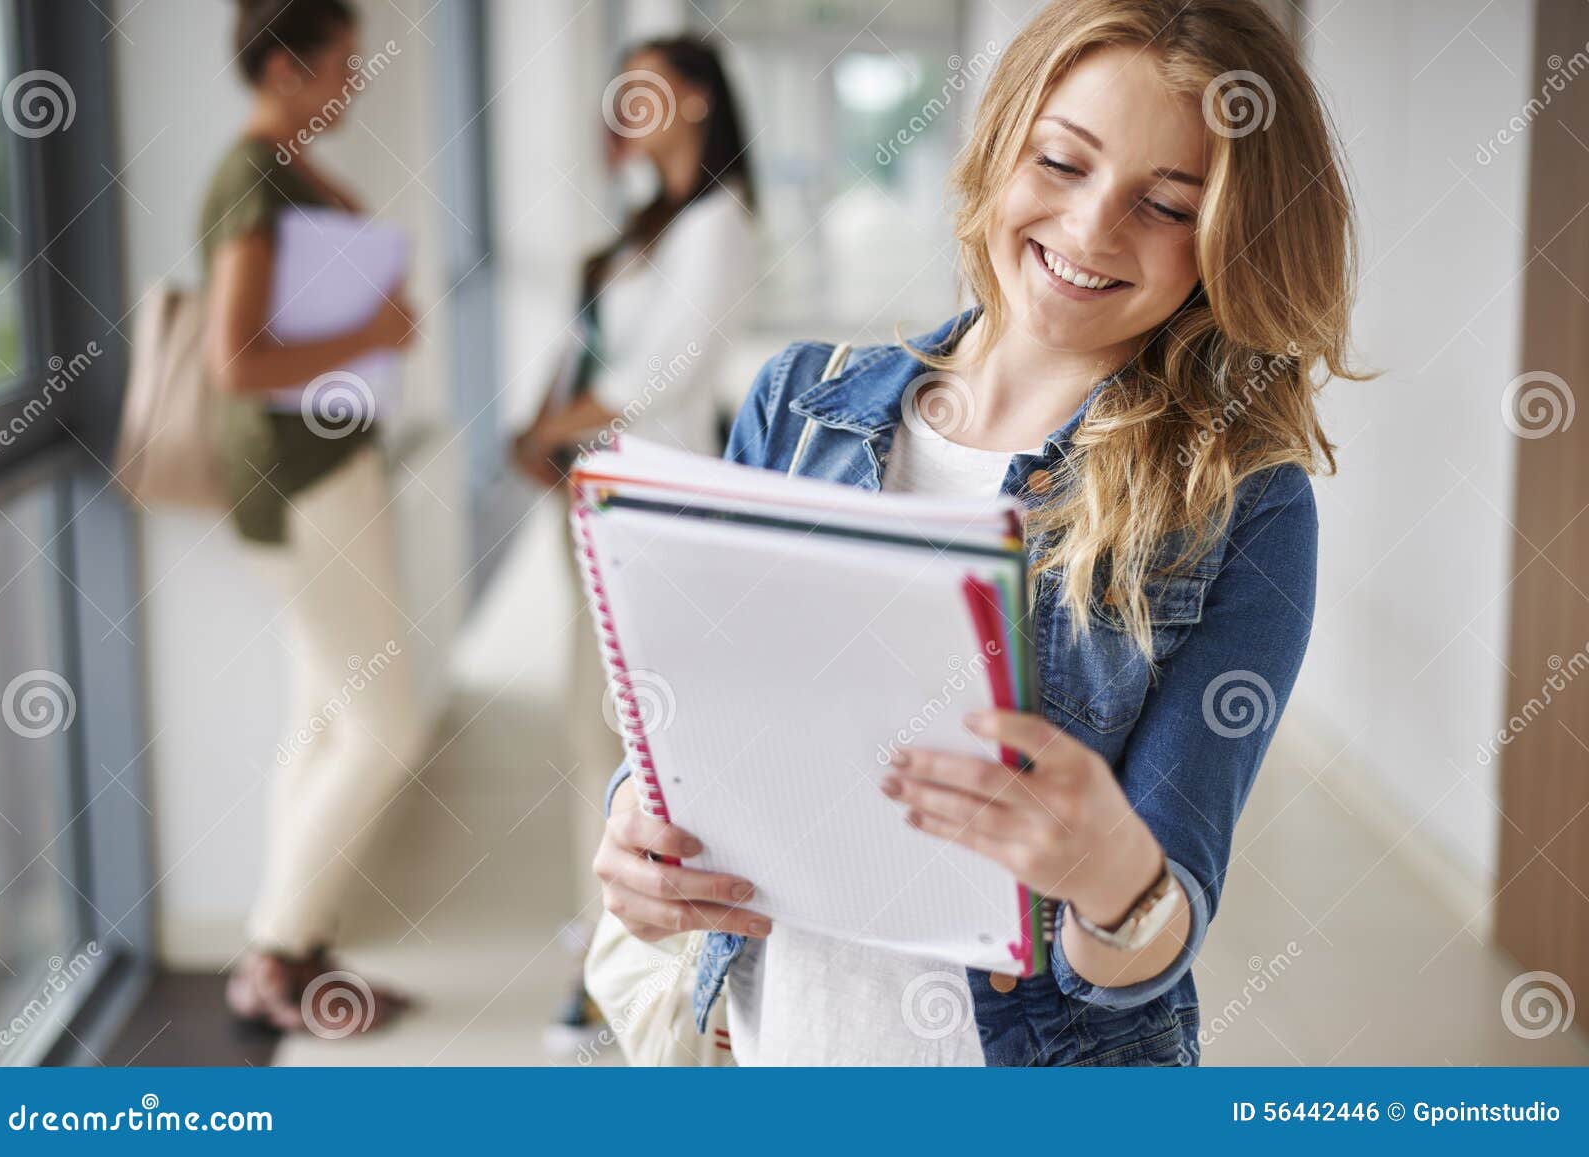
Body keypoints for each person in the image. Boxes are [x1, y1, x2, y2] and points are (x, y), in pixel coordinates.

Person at [593, 0, 1369, 1065]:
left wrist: (1106, 872)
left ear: (1228, 239)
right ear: (1002, 144)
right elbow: (688, 730)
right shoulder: (793, 406)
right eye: (1061, 161)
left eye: (1166, 204)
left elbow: (1155, 935)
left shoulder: (1241, 501)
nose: (1093, 229)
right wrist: (639, 826)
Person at [506, 35, 757, 1052]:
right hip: (599, 505)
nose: (622, 102)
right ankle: (606, 953)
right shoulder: (652, 221)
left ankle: (626, 972)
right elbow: (595, 345)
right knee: (590, 734)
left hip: (658, 516)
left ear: (695, 98)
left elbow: (658, 371)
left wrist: (543, 430)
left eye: (644, 86)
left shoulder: (719, 221)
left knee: (632, 744)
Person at [201, 0, 426, 1034]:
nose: (353, 85)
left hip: (312, 475)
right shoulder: (250, 178)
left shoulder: (274, 167)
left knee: (324, 718)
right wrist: (370, 330)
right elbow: (236, 360)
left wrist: (307, 144)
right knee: (385, 726)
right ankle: (277, 956)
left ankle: (296, 934)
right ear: (287, 65)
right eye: (340, 66)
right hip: (302, 481)